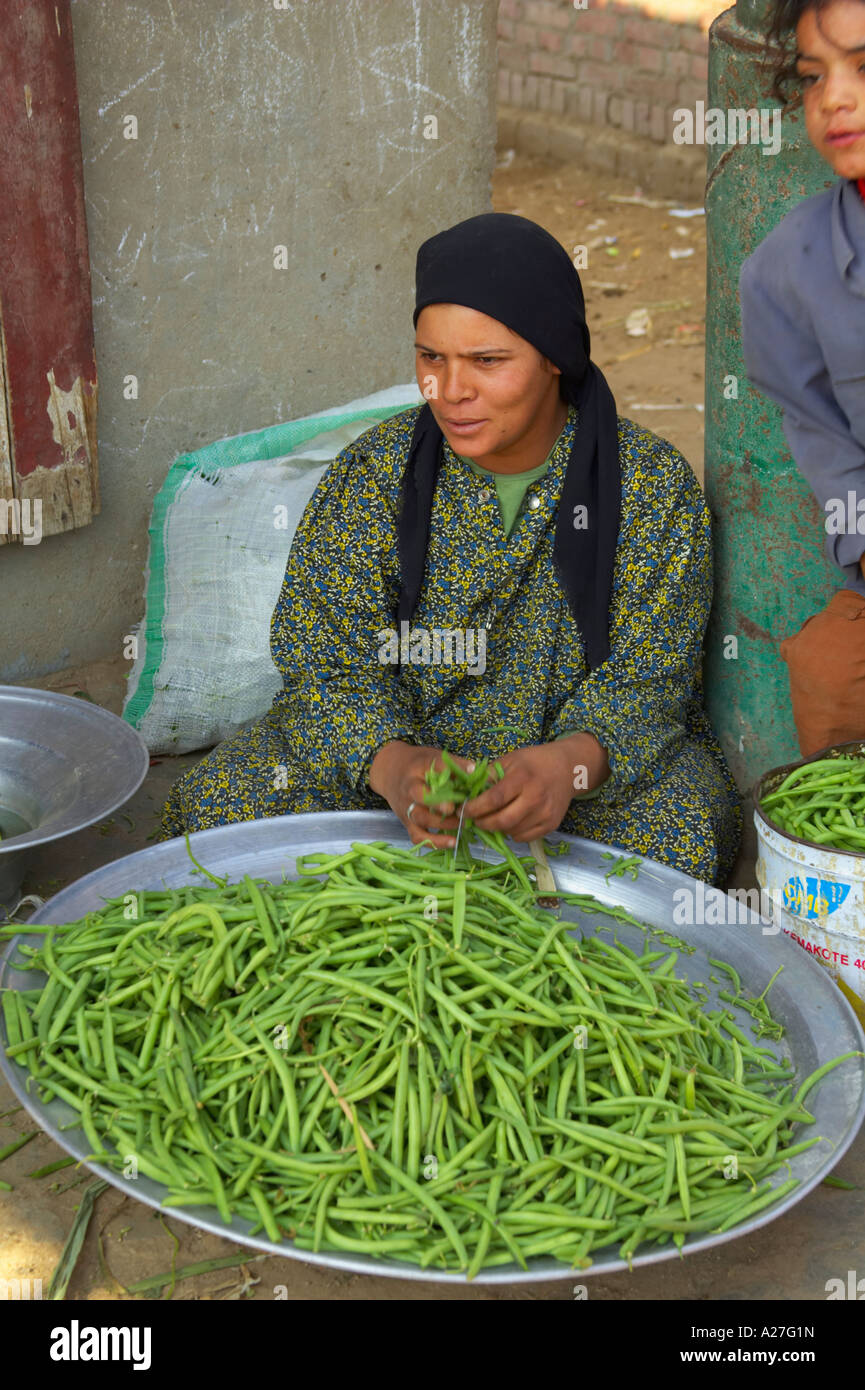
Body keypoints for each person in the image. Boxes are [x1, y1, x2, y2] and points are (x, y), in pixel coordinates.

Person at [161, 212, 742, 884]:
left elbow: (651, 673)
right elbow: (325, 651)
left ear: (555, 355)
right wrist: (394, 765)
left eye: (487, 361)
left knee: (680, 832)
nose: (450, 389)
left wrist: (568, 764)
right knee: (221, 809)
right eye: (430, 357)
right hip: (397, 765)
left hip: (577, 784)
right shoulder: (374, 474)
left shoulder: (649, 484)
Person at [740, 0, 865, 756]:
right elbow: (828, 451)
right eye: (813, 77)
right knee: (828, 673)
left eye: (863, 67)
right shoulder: (783, 270)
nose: (833, 100)